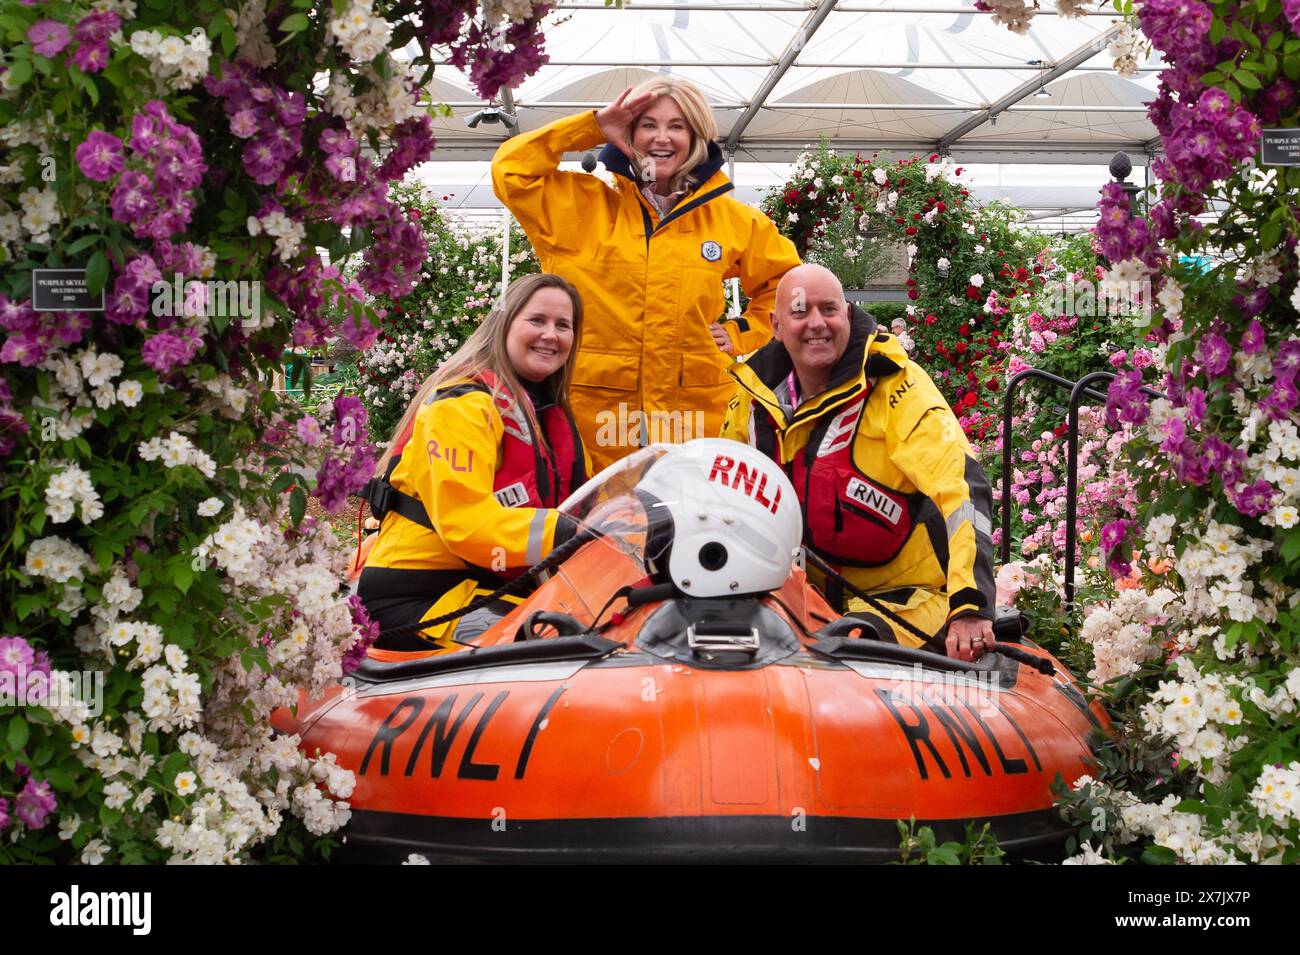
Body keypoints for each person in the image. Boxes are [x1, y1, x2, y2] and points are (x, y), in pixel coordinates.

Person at [492, 77, 802, 473]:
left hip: (695, 422)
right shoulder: (578, 206)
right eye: (648, 125)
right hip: (595, 425)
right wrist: (591, 126)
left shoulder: (733, 221)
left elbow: (788, 285)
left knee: (692, 524)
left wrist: (742, 330)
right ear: (628, 133)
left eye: (678, 126)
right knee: (596, 525)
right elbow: (511, 170)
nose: (663, 138)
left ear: (696, 136)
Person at [719, 264, 997, 661]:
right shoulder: (750, 400)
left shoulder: (898, 387)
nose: (817, 323)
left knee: (846, 645)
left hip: (901, 605)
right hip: (793, 603)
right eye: (800, 312)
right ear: (776, 326)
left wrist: (970, 607)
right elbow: (717, 496)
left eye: (829, 309)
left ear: (848, 315)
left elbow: (961, 489)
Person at [358, 273, 590, 650]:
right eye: (537, 320)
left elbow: (590, 499)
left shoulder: (548, 415)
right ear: (504, 324)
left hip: (486, 586)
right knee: (557, 648)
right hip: (419, 598)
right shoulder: (463, 404)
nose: (551, 334)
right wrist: (571, 530)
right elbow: (468, 525)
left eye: (563, 325)